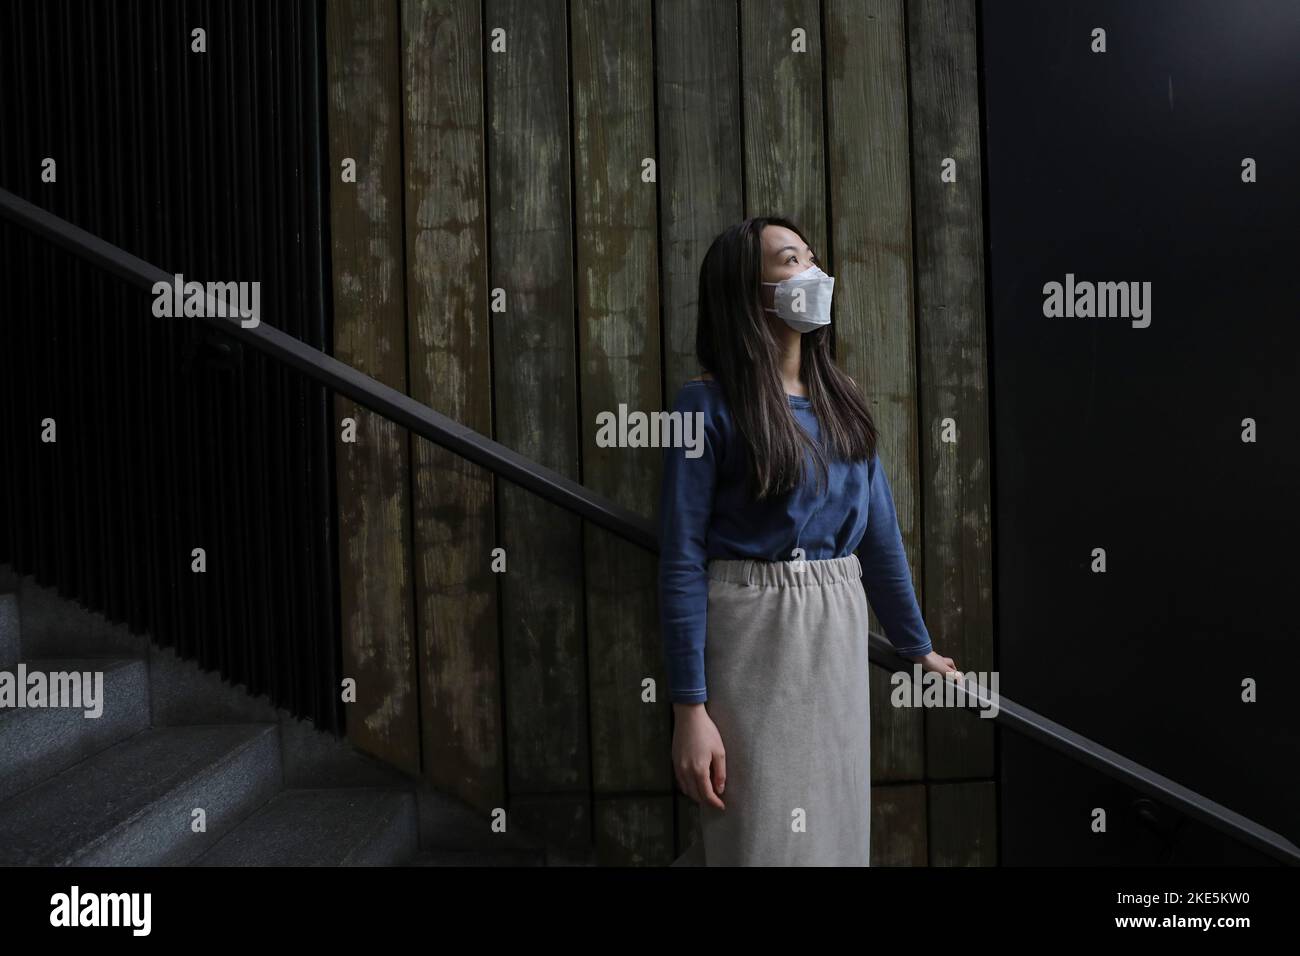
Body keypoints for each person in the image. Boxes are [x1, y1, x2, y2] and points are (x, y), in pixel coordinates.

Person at [660, 216, 959, 866]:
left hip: (836, 631)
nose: (814, 274)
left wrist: (916, 647)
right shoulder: (705, 406)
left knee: (832, 835)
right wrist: (690, 708)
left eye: (811, 258)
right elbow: (682, 557)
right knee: (759, 837)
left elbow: (878, 537)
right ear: (747, 293)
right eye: (791, 260)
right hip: (752, 632)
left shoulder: (841, 400)